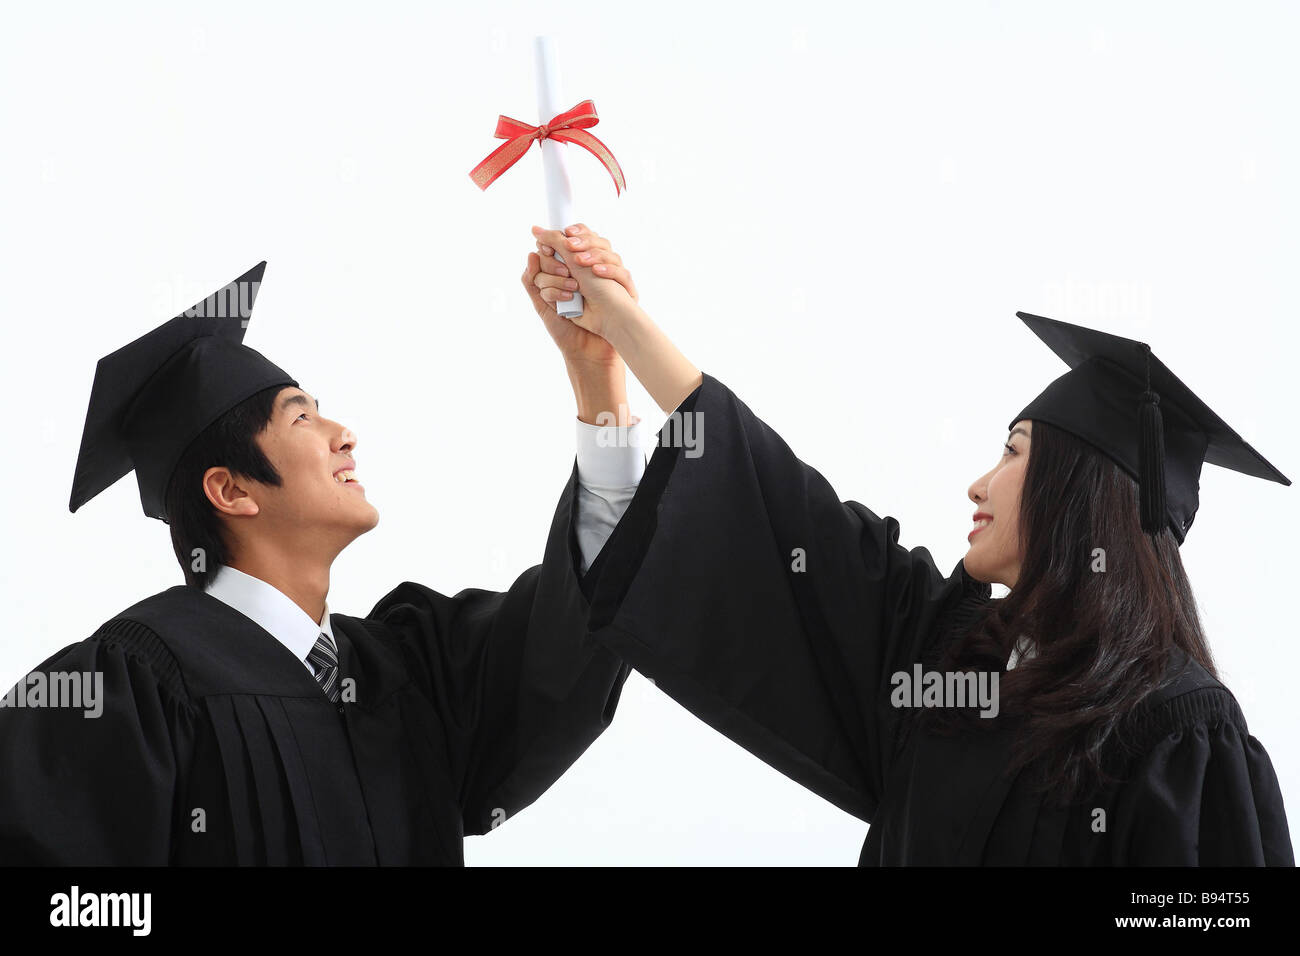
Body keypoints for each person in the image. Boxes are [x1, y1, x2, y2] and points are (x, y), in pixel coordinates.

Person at [525, 222, 1295, 865]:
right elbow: (781, 508)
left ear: (1078, 490)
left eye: (1013, 453)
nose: (979, 485)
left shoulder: (1181, 733)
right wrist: (616, 340)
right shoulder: (947, 667)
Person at [0, 256, 646, 865]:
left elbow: (571, 623)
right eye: (302, 418)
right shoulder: (130, 689)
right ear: (231, 490)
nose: (344, 434)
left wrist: (597, 373)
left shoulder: (415, 673)